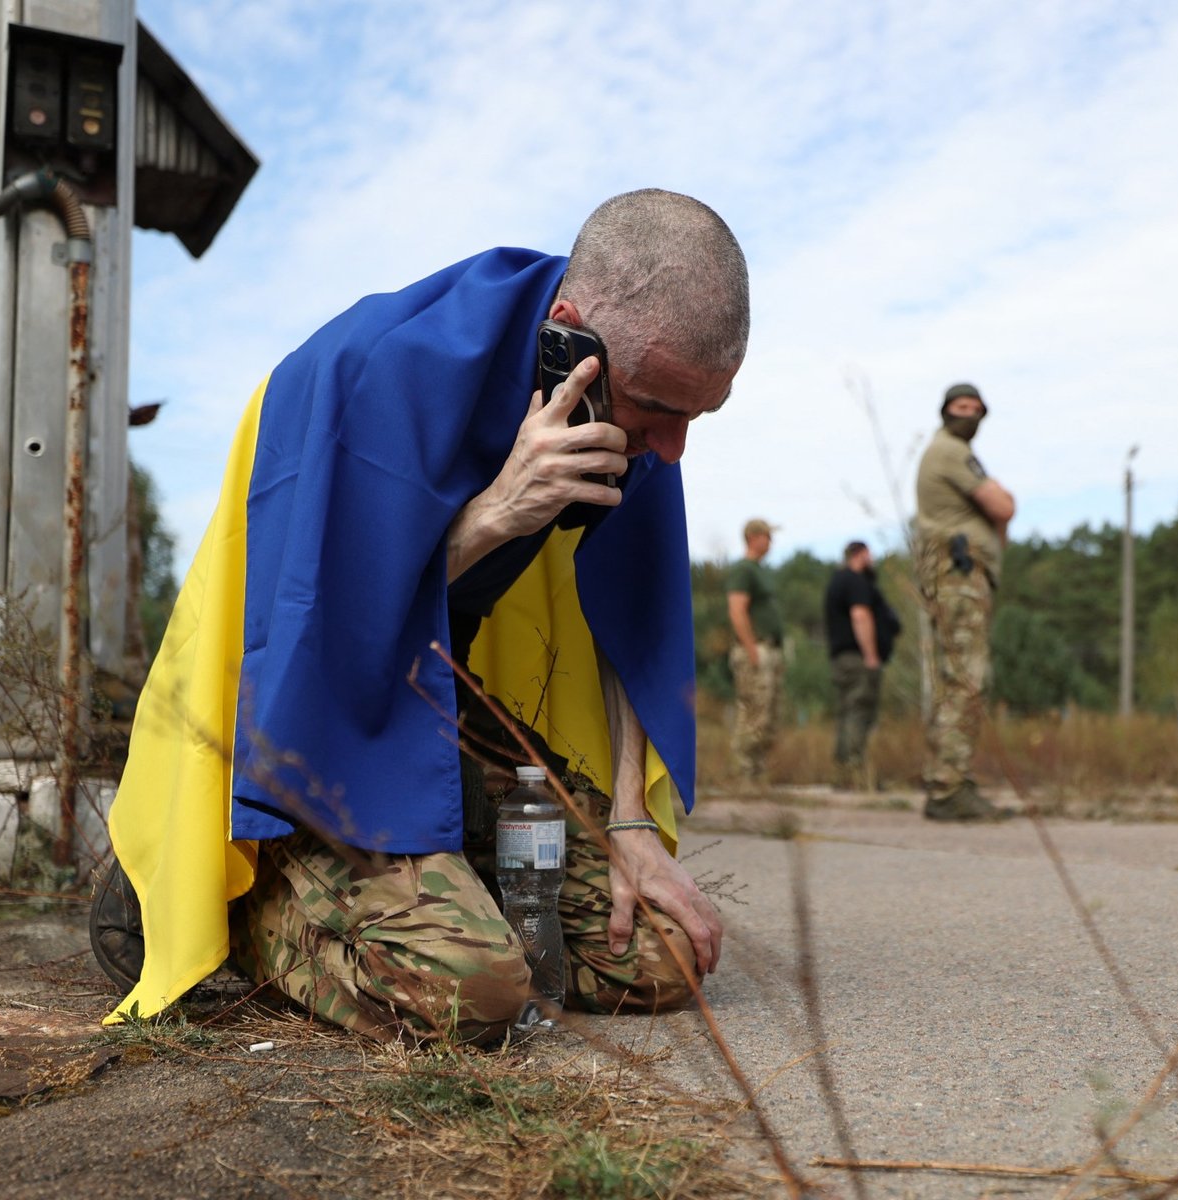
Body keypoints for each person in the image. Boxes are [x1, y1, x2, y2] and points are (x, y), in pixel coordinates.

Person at [91, 189, 747, 1044]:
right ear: (572, 333)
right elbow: (319, 627)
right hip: (304, 718)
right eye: (660, 409)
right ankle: (229, 903)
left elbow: (631, 619)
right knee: (472, 991)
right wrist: (496, 515)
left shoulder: (623, 401)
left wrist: (627, 822)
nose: (671, 448)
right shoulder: (377, 368)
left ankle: (438, 885)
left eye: (696, 416)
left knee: (662, 959)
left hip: (436, 692)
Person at [914, 382, 1016, 821]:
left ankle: (950, 778)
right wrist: (1002, 506)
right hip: (958, 576)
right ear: (945, 411)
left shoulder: (951, 451)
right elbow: (1003, 506)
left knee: (962, 678)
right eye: (961, 407)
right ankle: (948, 786)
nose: (968, 414)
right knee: (966, 679)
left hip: (960, 578)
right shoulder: (951, 451)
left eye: (976, 409)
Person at [823, 540, 900, 789]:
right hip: (857, 657)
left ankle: (844, 774)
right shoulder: (855, 581)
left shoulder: (838, 581)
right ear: (860, 555)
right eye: (869, 555)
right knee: (859, 711)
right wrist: (871, 655)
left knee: (848, 712)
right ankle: (855, 775)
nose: (872, 560)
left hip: (844, 659)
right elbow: (860, 616)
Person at [724, 517, 783, 784]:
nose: (770, 542)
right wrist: (751, 650)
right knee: (753, 713)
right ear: (753, 537)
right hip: (754, 650)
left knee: (767, 716)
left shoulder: (759, 570)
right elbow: (737, 610)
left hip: (769, 649)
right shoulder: (743, 570)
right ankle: (744, 776)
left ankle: (757, 777)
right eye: (767, 536)